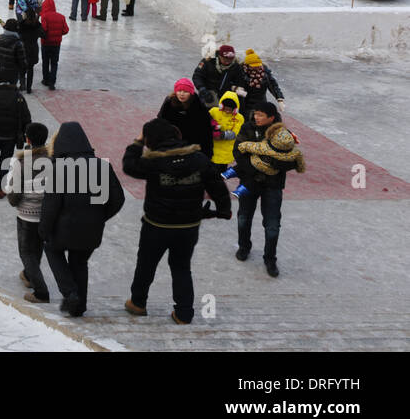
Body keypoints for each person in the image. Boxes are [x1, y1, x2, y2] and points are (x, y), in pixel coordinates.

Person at [122, 119, 232, 324]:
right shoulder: (198, 159)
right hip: (188, 226)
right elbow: (217, 186)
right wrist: (224, 210)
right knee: (181, 267)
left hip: (156, 225)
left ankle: (138, 303)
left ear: (150, 140)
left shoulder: (153, 162)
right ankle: (183, 313)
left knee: (146, 264)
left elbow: (129, 166)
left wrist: (137, 142)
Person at [39, 121, 125, 317]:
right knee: (80, 262)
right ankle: (79, 306)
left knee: (52, 250)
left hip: (63, 229)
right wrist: (100, 216)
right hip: (91, 230)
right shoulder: (102, 166)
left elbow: (51, 204)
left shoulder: (59, 168)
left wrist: (44, 230)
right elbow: (118, 199)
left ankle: (70, 293)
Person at [233, 102, 305, 276]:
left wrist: (271, 164)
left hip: (272, 185)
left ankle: (270, 259)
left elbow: (293, 160)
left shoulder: (282, 133)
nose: (256, 117)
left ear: (271, 118)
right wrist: (254, 169)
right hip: (249, 182)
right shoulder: (247, 128)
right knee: (243, 217)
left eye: (260, 115)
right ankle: (244, 247)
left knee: (272, 225)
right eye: (255, 113)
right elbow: (238, 153)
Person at [3, 121, 52, 303]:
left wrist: (13, 201)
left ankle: (41, 291)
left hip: (26, 214)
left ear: (28, 139)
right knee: (37, 248)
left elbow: (13, 188)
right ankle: (30, 276)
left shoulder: (21, 162)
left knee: (26, 252)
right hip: (46, 213)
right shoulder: (52, 161)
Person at [157, 77, 214, 157]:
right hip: (172, 144)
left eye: (185, 91)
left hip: (191, 145)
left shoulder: (198, 105)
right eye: (179, 91)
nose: (182, 94)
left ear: (191, 93)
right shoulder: (169, 102)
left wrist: (207, 153)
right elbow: (160, 121)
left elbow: (206, 131)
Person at [193, 44, 247, 108]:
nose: (227, 62)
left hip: (225, 97)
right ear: (219, 56)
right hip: (207, 92)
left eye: (230, 60)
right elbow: (197, 76)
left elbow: (240, 82)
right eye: (225, 59)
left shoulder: (236, 67)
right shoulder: (207, 61)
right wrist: (202, 88)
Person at [240, 49, 285, 115]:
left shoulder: (264, 72)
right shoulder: (241, 72)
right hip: (245, 105)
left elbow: (272, 84)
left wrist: (279, 98)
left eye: (258, 65)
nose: (257, 68)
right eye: (254, 66)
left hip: (261, 103)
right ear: (247, 65)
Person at [208, 92, 244, 174]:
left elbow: (235, 133)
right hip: (211, 148)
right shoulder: (214, 111)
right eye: (226, 108)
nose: (227, 111)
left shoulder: (239, 118)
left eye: (230, 110)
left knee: (220, 174)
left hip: (225, 152)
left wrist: (220, 135)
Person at [38, 0, 69, 90]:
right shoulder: (61, 17)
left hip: (46, 43)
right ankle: (52, 83)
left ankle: (45, 79)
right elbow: (66, 30)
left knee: (46, 62)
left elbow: (44, 30)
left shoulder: (44, 16)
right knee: (54, 63)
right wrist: (58, 34)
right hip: (56, 44)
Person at [0, 17, 26, 86]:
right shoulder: (18, 43)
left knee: (0, 92)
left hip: (1, 71)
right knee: (11, 92)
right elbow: (21, 60)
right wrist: (23, 72)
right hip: (13, 74)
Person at [17, 8, 44, 93]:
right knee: (30, 69)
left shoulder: (21, 24)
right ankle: (29, 88)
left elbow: (17, 35)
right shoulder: (37, 25)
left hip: (23, 49)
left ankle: (22, 85)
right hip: (33, 49)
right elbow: (43, 35)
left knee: (22, 68)